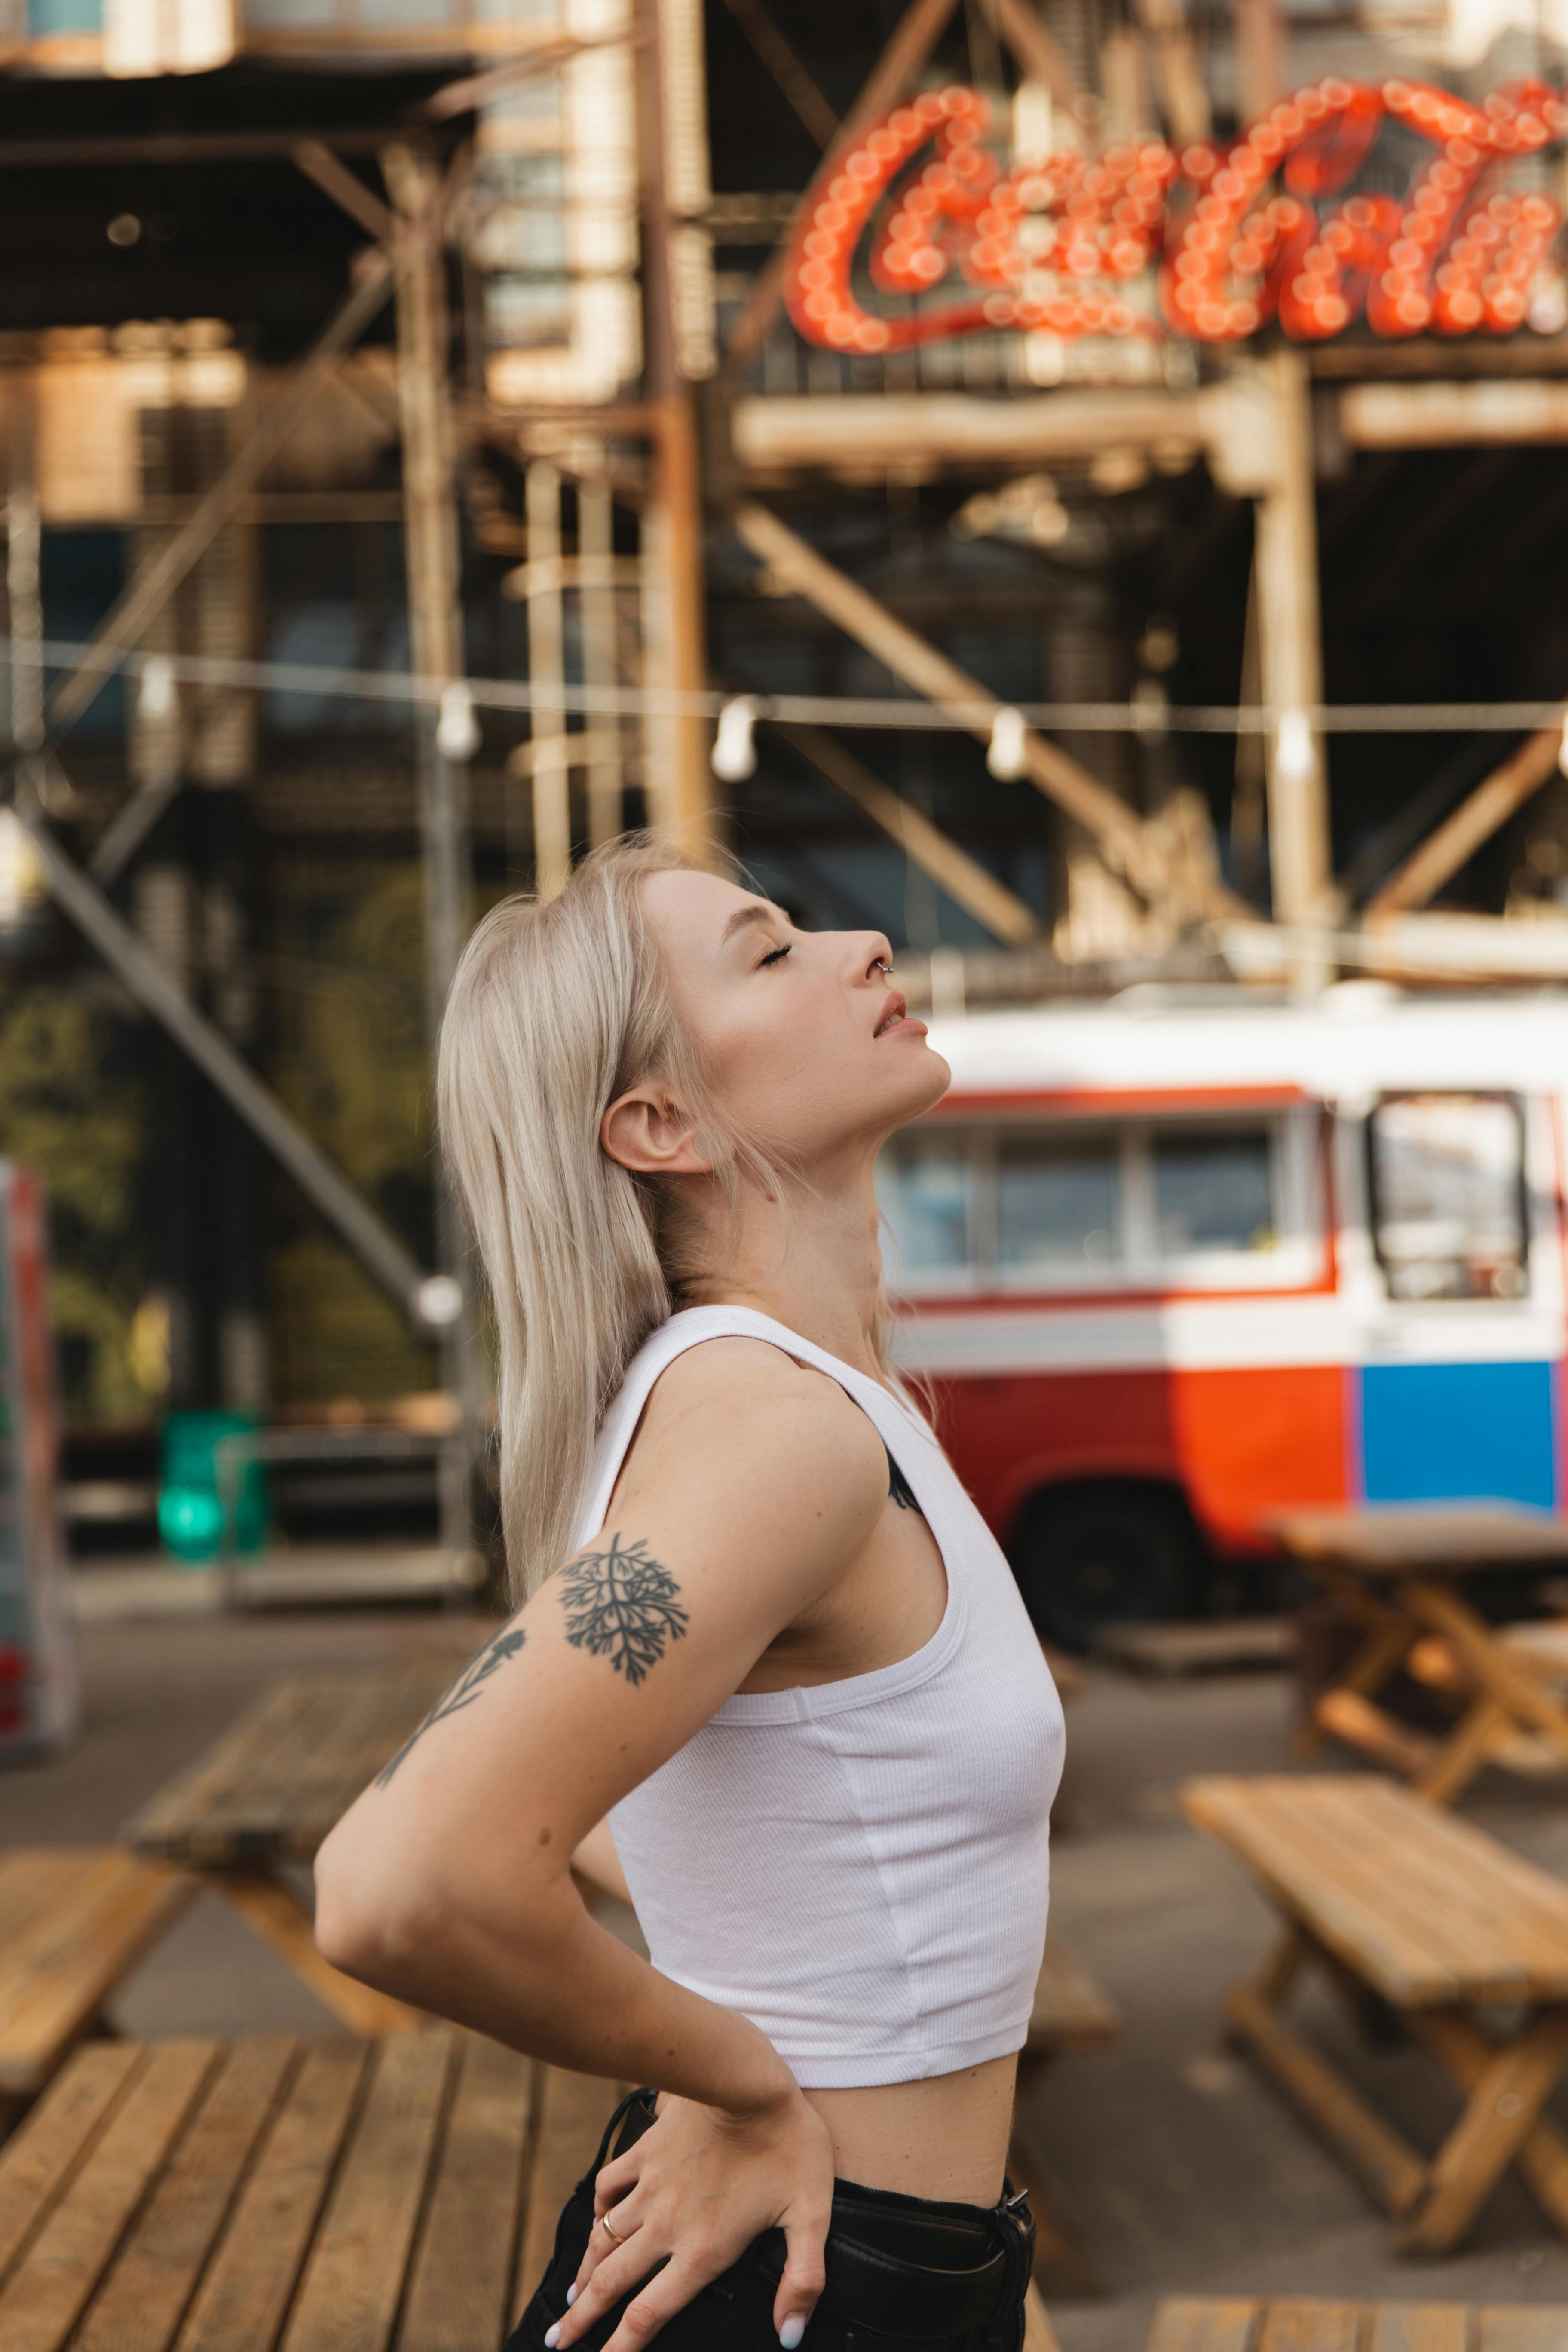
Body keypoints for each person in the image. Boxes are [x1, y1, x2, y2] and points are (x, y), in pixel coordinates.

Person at [313, 836, 1066, 2352]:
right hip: (812, 2274)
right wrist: (737, 2077)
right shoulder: (776, 1433)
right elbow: (399, 1879)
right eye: (770, 951)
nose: (864, 945)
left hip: (871, 2265)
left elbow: (631, 1815)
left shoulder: (780, 1404)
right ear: (662, 1123)